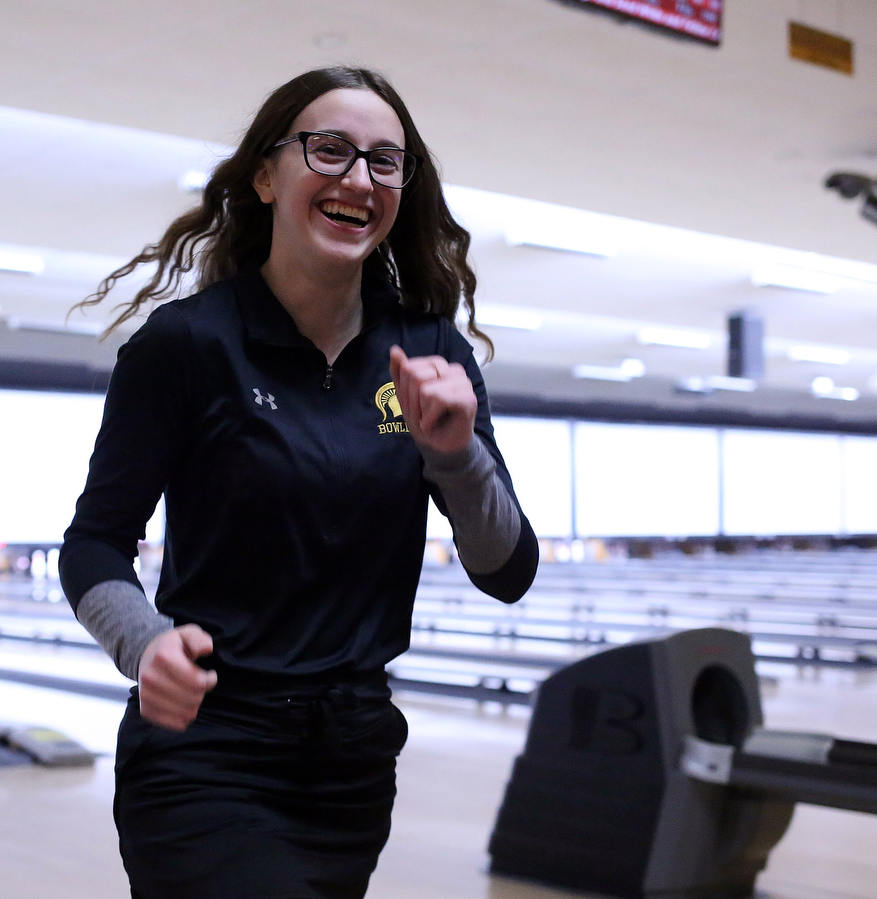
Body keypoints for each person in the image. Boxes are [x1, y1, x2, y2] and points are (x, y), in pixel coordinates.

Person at [60, 66, 538, 899]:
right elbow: (93, 544)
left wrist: (457, 455)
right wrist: (146, 645)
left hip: (350, 760)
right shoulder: (189, 345)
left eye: (386, 161)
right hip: (207, 745)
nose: (359, 177)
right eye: (331, 150)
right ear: (265, 175)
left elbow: (508, 570)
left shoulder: (429, 351)